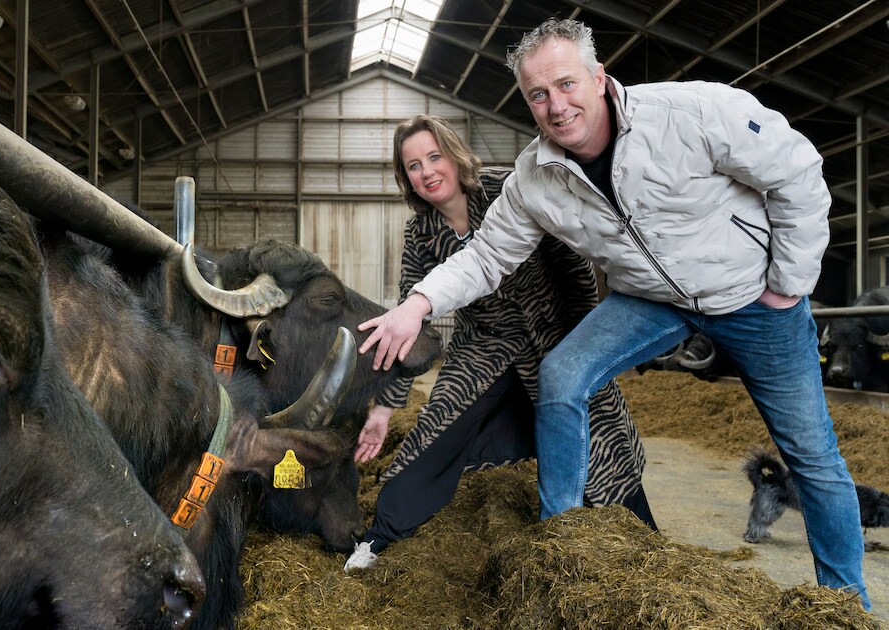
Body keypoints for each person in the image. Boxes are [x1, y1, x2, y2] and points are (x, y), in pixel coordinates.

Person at [356, 18, 870, 609]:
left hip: (752, 296)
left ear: (600, 77)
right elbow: (489, 256)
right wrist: (416, 305)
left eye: (567, 84)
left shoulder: (693, 112)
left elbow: (797, 172)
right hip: (650, 299)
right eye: (538, 94)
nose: (556, 105)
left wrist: (788, 282)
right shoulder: (534, 178)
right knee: (564, 374)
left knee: (811, 455)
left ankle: (845, 604)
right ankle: (565, 540)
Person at [343, 114, 654, 574]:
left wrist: (587, 342)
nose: (427, 171)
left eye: (434, 156)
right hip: (483, 348)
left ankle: (642, 537)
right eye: (413, 165)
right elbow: (416, 330)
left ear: (453, 155)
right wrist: (385, 410)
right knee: (433, 434)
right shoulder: (420, 235)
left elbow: (572, 266)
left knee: (599, 431)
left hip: (554, 333)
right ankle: (379, 537)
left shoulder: (507, 189)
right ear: (405, 177)